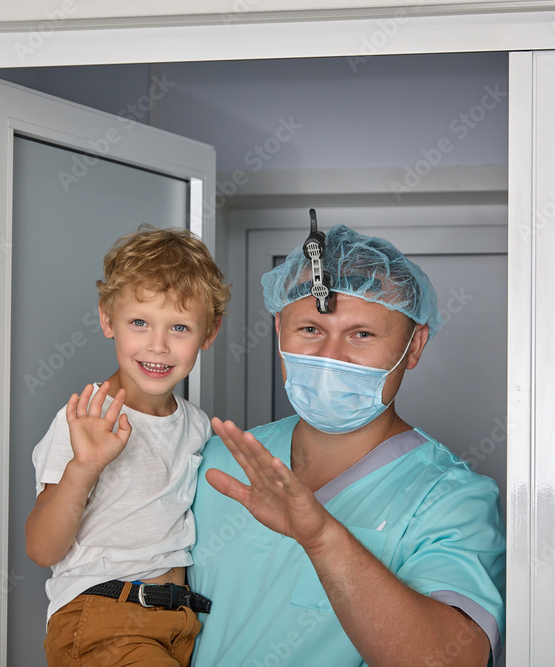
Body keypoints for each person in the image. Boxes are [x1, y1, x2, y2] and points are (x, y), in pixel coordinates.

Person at [189, 217, 506, 666]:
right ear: (279, 331)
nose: (331, 356)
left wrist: (323, 539)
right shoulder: (216, 459)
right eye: (311, 330)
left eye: (362, 334)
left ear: (413, 346)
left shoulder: (451, 500)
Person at [26, 225, 231, 667]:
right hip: (104, 617)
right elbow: (43, 549)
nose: (157, 345)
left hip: (180, 622)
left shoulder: (196, 426)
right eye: (139, 322)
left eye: (179, 327)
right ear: (107, 320)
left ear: (209, 334)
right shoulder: (86, 419)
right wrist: (84, 467)